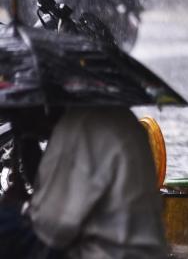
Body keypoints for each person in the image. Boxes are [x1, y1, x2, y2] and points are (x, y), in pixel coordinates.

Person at [0, 106, 167, 258]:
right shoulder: (119, 115)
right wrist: (27, 141)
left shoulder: (78, 126)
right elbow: (55, 188)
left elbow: (51, 229)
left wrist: (18, 208)